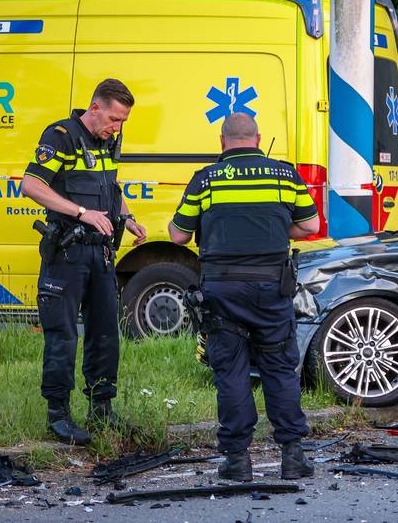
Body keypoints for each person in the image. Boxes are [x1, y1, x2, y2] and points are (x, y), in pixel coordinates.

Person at [167, 112, 319, 481]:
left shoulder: (205, 180)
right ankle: (293, 457)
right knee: (280, 369)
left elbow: (178, 236)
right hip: (272, 288)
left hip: (222, 291)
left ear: (222, 142)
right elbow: (311, 225)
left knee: (231, 372)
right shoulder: (285, 175)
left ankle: (237, 461)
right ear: (257, 138)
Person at [21, 78, 147, 445]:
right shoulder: (61, 135)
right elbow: (31, 185)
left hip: (101, 252)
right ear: (94, 108)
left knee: (106, 333)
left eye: (122, 121)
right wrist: (81, 212)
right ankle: (58, 415)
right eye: (113, 118)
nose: (116, 127)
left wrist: (127, 217)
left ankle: (102, 409)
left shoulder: (108, 142)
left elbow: (109, 187)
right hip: (67, 253)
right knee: (63, 335)